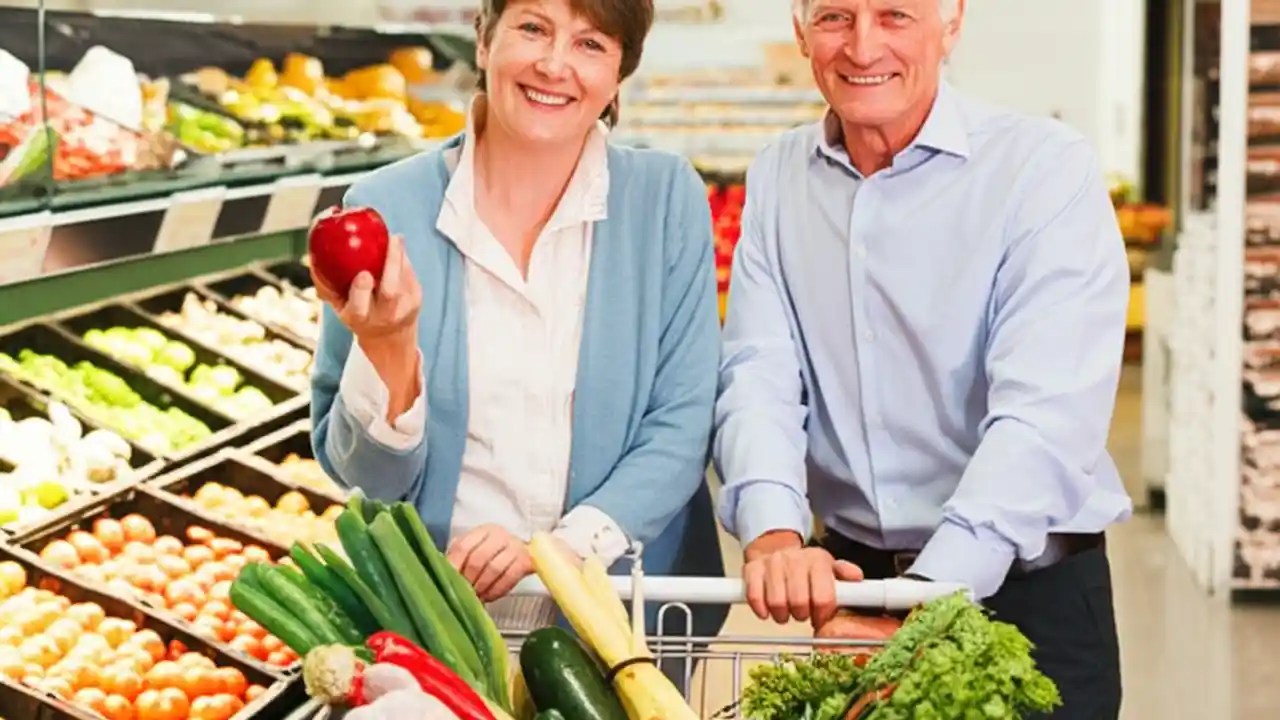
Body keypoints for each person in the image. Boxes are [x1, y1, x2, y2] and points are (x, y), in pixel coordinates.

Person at [714, 1, 1130, 718]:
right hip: (855, 593)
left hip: (1027, 597)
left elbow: (1044, 419)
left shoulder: (1043, 171)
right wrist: (775, 534)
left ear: (953, 22)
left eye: (896, 14)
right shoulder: (779, 177)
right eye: (836, 17)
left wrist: (920, 606)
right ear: (800, 28)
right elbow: (759, 375)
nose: (862, 46)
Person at [309, 0, 726, 645]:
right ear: (483, 40)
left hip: (620, 618)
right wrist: (389, 347)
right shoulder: (382, 209)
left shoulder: (665, 199)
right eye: (533, 28)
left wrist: (554, 553)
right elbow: (366, 479)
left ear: (620, 72)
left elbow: (681, 421)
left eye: (591, 45)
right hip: (438, 622)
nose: (554, 65)